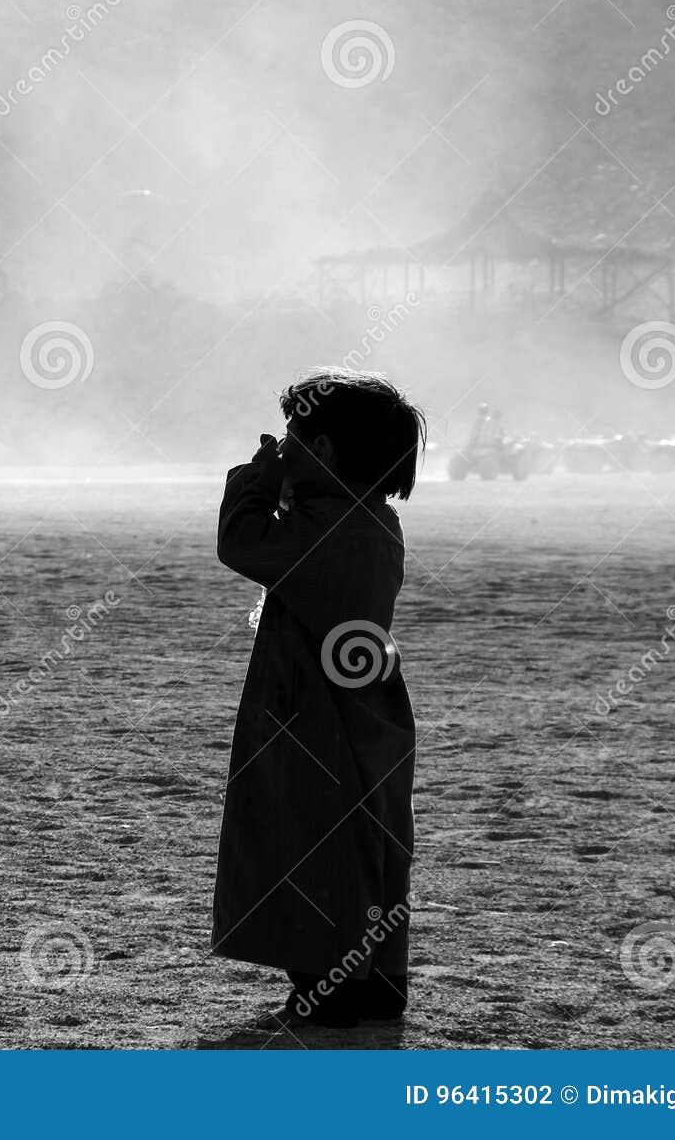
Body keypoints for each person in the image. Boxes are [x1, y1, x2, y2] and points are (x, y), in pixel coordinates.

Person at [212, 368, 425, 1029]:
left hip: (312, 714)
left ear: (325, 450)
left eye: (293, 438)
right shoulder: (373, 519)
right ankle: (379, 978)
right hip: (369, 704)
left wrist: (255, 479)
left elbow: (241, 542)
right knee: (373, 840)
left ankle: (326, 985)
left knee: (309, 839)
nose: (284, 448)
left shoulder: (327, 527)